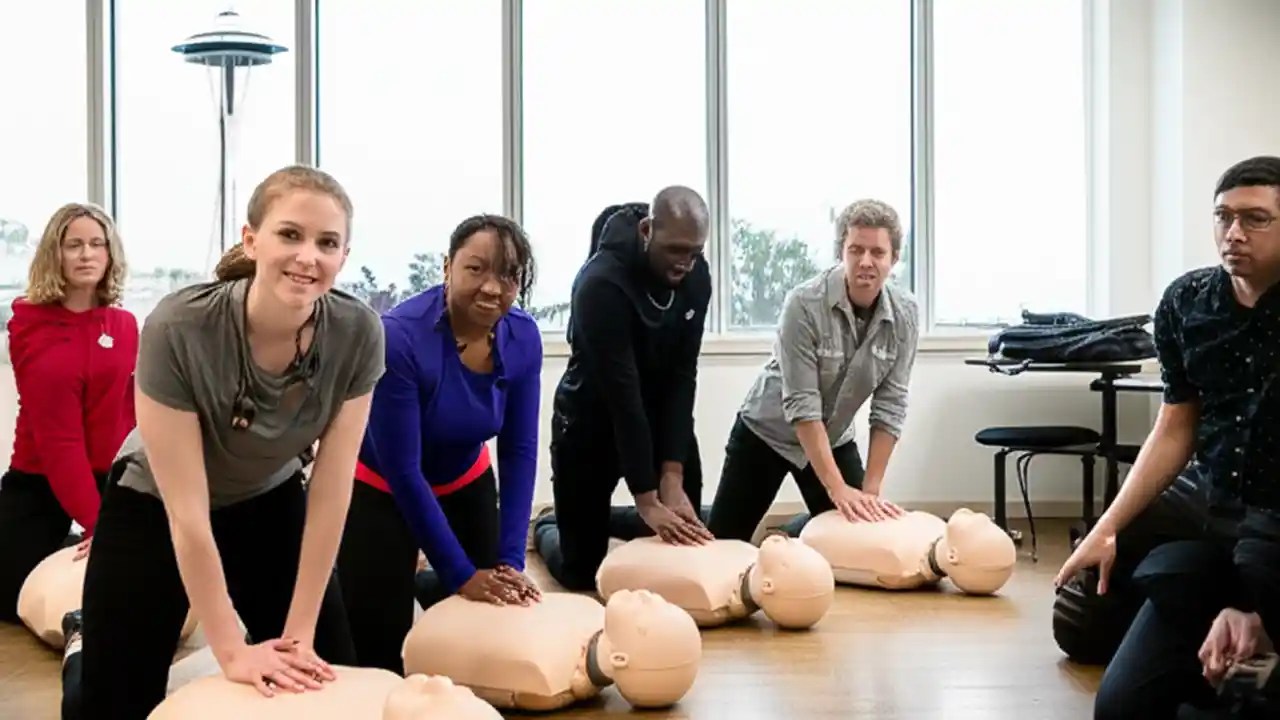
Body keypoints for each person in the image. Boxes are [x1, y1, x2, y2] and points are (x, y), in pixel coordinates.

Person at [66, 165, 384, 720]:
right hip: (154, 505)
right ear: (251, 239)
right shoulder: (180, 326)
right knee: (113, 704)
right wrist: (230, 651)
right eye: (290, 234)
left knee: (324, 674)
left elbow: (333, 491)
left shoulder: (358, 333)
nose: (308, 256)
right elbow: (188, 514)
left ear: (344, 255)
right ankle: (81, 649)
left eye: (327, 243)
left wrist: (301, 633)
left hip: (268, 498)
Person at [1053, 155, 1280, 719]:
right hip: (1207, 489)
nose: (1233, 233)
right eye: (1223, 216)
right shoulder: (1188, 302)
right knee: (1081, 613)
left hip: (1274, 512)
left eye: (1256, 219)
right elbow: (1177, 422)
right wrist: (1108, 527)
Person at [337, 214, 543, 675]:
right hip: (381, 489)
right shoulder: (399, 337)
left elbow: (519, 450)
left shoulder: (523, 336)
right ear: (447, 267)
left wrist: (509, 560)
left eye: (508, 275)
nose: (493, 287)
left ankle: (433, 587)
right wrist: (461, 575)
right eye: (476, 269)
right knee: (378, 656)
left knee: (490, 628)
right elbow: (404, 470)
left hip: (464, 480)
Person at [532, 187, 716, 592]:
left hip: (655, 413)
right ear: (648, 230)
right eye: (674, 250)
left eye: (694, 252)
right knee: (582, 572)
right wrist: (647, 499)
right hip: (591, 421)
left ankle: (614, 516)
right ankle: (550, 523)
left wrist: (671, 475)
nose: (685, 263)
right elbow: (622, 395)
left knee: (684, 536)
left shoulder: (696, 275)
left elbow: (683, 376)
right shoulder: (601, 284)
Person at [705, 199, 915, 543]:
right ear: (841, 253)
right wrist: (837, 490)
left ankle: (797, 530)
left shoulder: (905, 314)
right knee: (723, 542)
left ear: (893, 258)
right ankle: (626, 520)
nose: (865, 261)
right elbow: (803, 405)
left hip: (833, 438)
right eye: (855, 250)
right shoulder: (803, 303)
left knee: (856, 536)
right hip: (766, 433)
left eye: (877, 252)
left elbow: (891, 404)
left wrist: (869, 491)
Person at [0, 203, 135, 623]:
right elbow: (60, 442)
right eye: (73, 244)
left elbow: (133, 412)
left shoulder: (125, 324)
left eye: (97, 244)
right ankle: (67, 537)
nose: (86, 254)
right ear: (54, 254)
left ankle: (70, 540)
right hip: (40, 481)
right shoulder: (33, 326)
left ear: (110, 254)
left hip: (110, 477)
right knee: (10, 602)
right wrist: (97, 522)